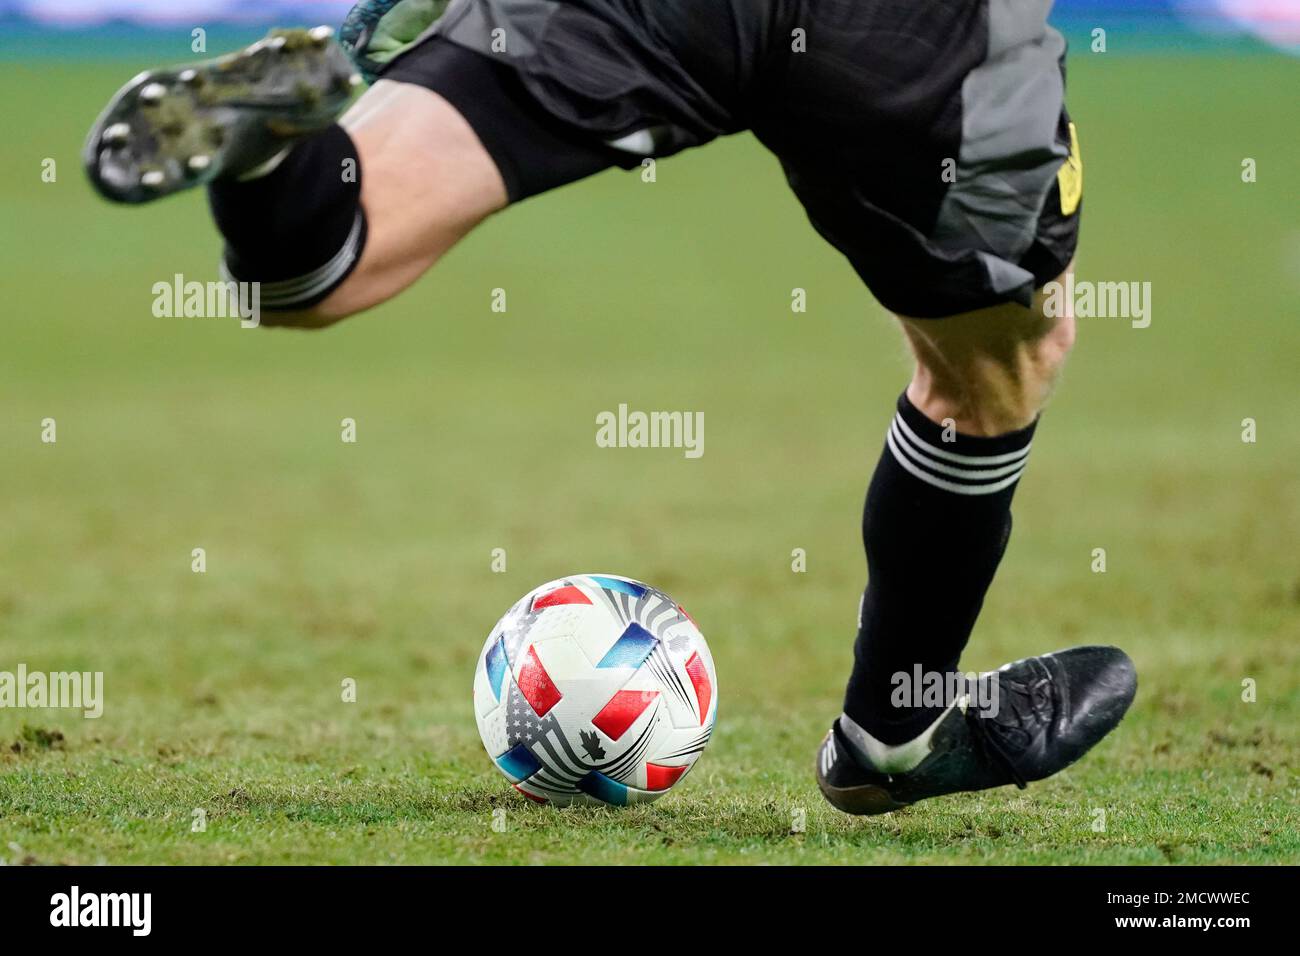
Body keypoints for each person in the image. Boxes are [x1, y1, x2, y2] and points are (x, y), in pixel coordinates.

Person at [84, 0, 1136, 814]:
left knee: (314, 271)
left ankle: (271, 149)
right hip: (904, 34)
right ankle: (891, 732)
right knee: (993, 368)